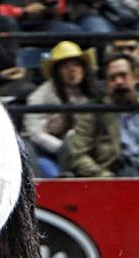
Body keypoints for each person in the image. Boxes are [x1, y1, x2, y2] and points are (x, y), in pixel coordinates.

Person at [68, 53, 139, 177]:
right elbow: (78, 156)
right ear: (106, 83)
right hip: (111, 178)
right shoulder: (94, 112)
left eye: (123, 75)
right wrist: (102, 175)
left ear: (136, 77)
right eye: (112, 78)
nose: (118, 81)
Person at [23, 41, 100, 178]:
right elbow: (35, 133)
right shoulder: (39, 95)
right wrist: (64, 147)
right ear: (57, 71)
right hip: (45, 151)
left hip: (82, 150)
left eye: (76, 65)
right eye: (66, 66)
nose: (72, 71)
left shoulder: (91, 93)